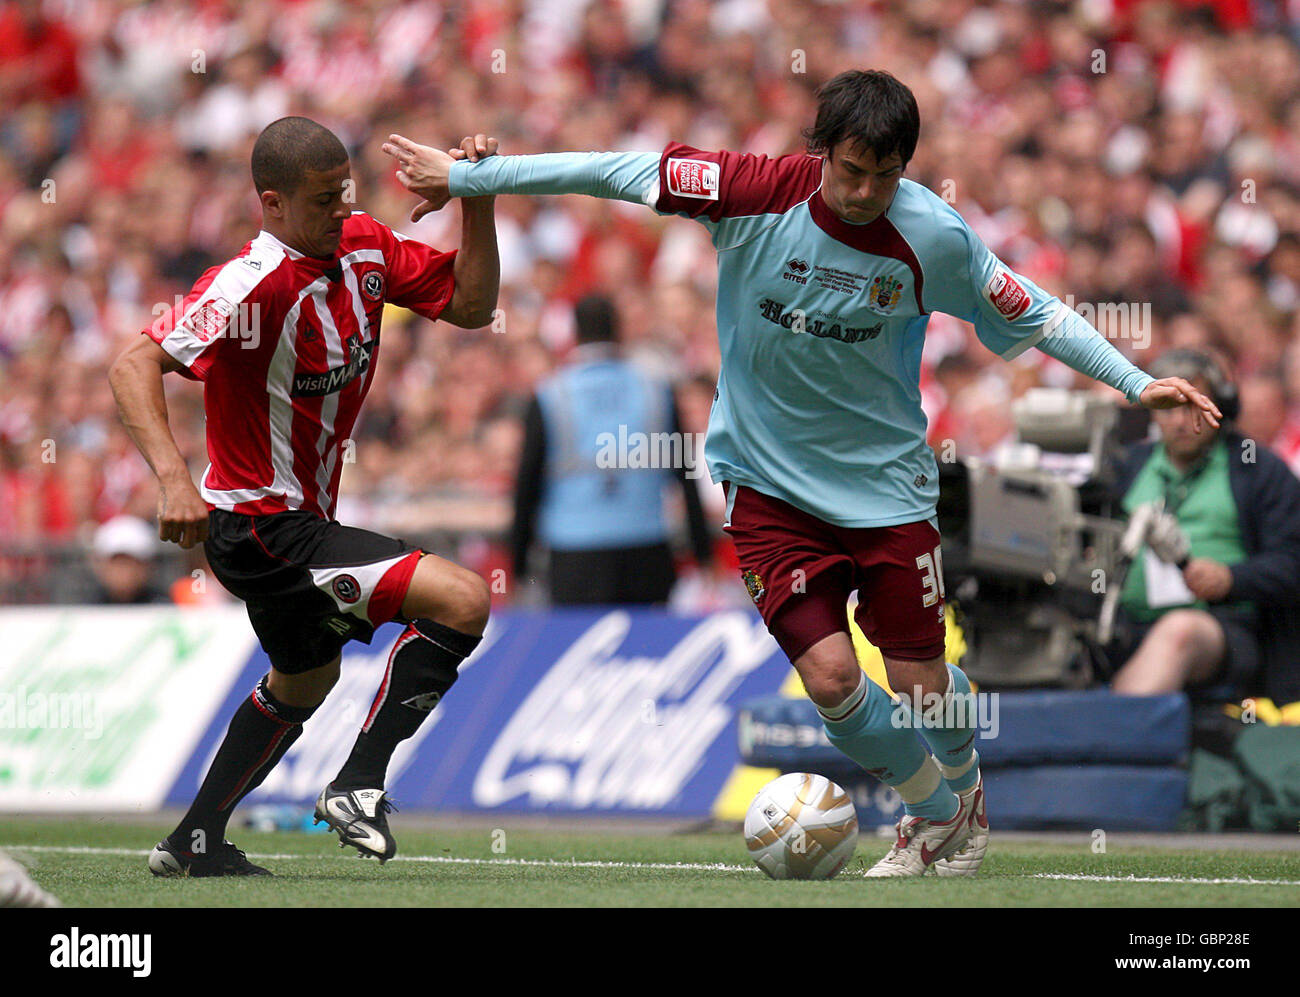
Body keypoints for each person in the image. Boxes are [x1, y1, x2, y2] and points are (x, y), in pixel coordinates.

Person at [382, 69, 1220, 877]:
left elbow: (1032, 310)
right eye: (851, 171)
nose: (864, 191)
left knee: (922, 684)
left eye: (884, 176)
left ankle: (966, 790)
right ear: (822, 151)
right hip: (766, 485)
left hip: (887, 487)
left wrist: (1137, 380)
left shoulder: (934, 236)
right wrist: (470, 174)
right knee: (830, 677)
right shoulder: (749, 189)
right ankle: (933, 812)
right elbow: (610, 169)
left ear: (905, 168)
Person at [109, 116, 499, 877]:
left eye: (346, 191)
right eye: (323, 199)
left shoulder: (364, 246)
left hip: (298, 522)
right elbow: (132, 363)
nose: (341, 209)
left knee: (306, 680)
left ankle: (194, 841)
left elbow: (474, 306)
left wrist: (476, 198)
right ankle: (358, 783)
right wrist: (173, 479)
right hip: (258, 526)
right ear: (273, 203)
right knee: (463, 599)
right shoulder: (246, 286)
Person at [1108, 350, 1300, 704]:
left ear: (1221, 404)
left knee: (1178, 631)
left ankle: (1114, 740)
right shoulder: (1126, 466)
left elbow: (1292, 563)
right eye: (1167, 407)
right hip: (1124, 625)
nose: (1180, 422)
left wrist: (1232, 578)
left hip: (1226, 628)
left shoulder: (1256, 467)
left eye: (1193, 405)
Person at [510, 294, 714, 604]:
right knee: (647, 649)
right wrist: (703, 555)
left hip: (574, 553)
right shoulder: (656, 389)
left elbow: (527, 484)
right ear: (618, 330)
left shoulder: (551, 394)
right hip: (647, 548)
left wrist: (519, 565)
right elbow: (685, 476)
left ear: (575, 333)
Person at [85, 514, 170, 605]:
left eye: (131, 562)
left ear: (147, 566)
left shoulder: (164, 607)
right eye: (118, 563)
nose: (124, 572)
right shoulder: (83, 609)